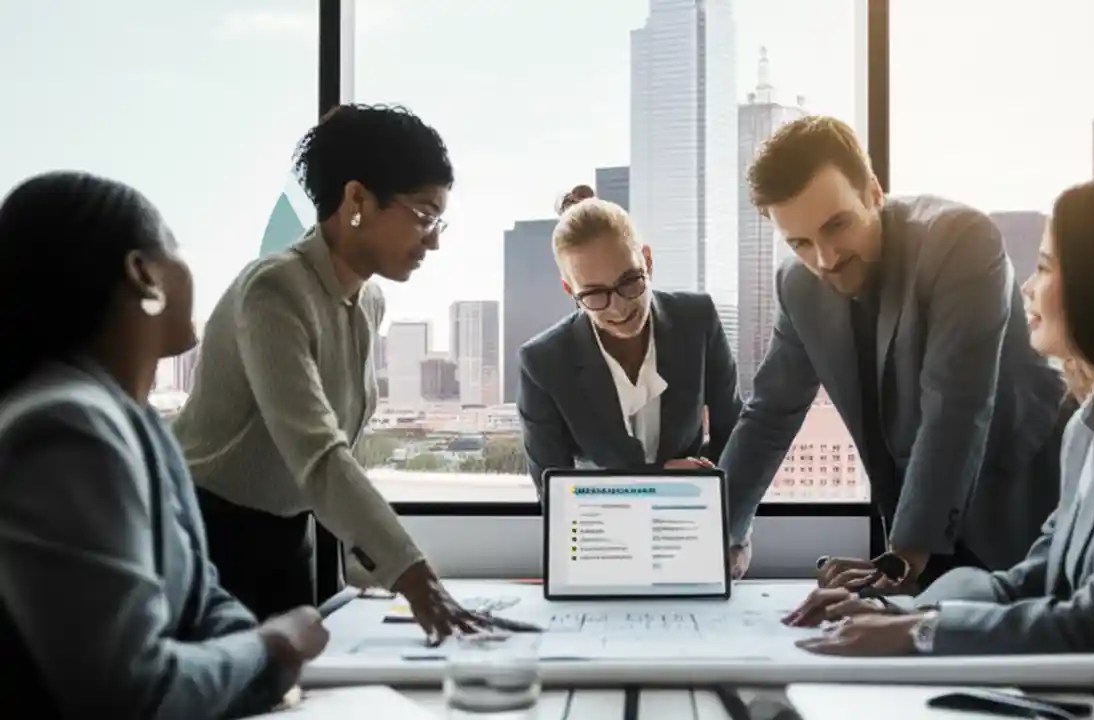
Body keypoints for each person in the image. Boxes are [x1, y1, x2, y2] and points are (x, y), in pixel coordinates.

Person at [784, 169, 1094, 719]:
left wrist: (920, 631)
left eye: (1044, 267)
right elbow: (1034, 580)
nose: (1027, 287)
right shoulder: (1089, 425)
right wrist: (892, 611)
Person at [173, 104, 529, 641]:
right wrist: (417, 580)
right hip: (209, 541)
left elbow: (331, 462)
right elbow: (318, 454)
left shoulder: (367, 302)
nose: (434, 239)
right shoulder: (273, 291)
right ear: (357, 200)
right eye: (424, 215)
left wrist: (379, 574)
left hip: (295, 537)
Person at [0, 171, 328, 718]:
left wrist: (258, 653)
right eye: (175, 247)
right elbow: (130, 693)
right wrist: (272, 646)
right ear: (143, 274)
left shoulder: (137, 423)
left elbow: (201, 598)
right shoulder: (67, 428)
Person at [721, 116, 1064, 588]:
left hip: (1019, 504)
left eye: (837, 225)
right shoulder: (799, 285)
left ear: (873, 193)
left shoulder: (958, 240)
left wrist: (902, 557)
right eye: (799, 242)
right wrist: (719, 537)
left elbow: (954, 405)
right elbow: (768, 415)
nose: (825, 258)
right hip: (915, 524)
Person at [517, 185, 742, 498]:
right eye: (595, 294)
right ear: (570, 291)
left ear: (647, 261)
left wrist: (707, 483)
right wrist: (659, 485)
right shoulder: (543, 362)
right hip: (602, 527)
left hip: (694, 513)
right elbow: (553, 493)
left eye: (630, 281)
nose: (619, 307)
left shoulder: (697, 319)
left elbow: (733, 434)